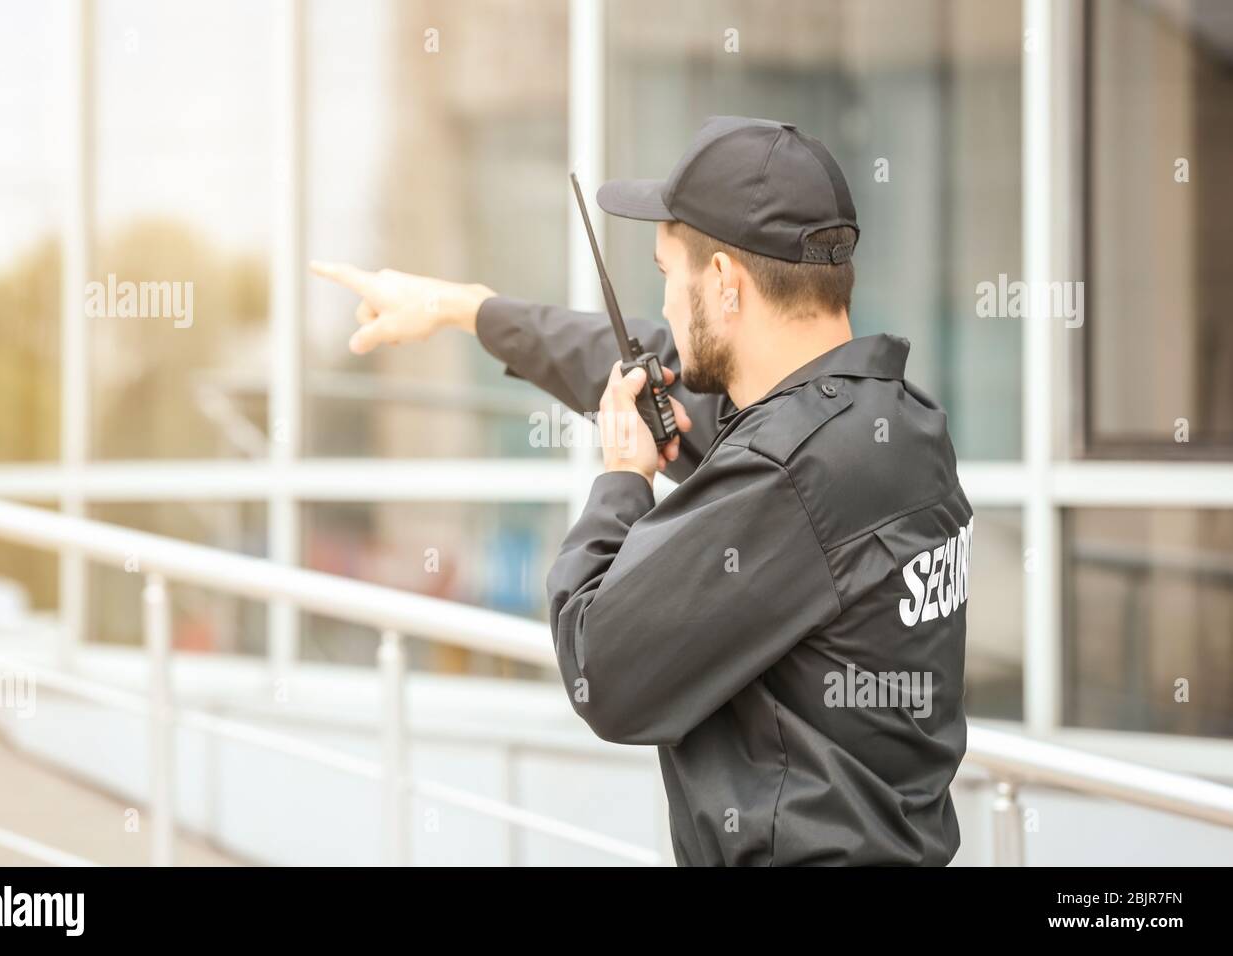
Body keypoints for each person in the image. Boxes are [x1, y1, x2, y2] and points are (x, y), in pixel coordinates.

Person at [313, 115, 971, 866]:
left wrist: (623, 478)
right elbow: (639, 364)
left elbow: (601, 669)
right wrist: (465, 309)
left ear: (724, 282)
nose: (660, 306)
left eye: (666, 277)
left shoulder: (787, 476)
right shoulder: (897, 424)